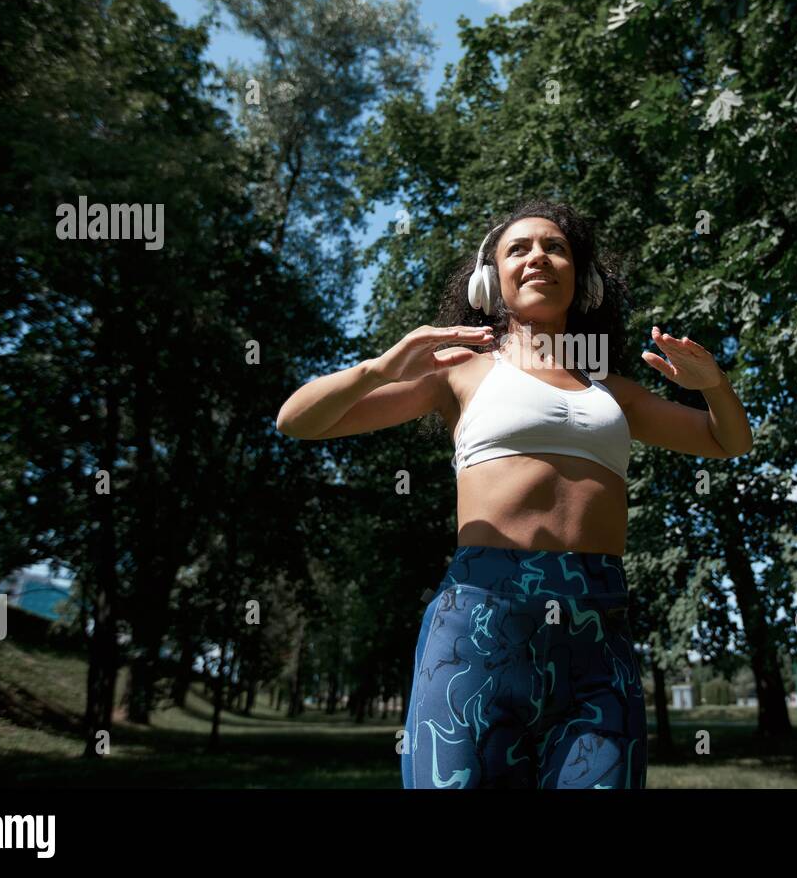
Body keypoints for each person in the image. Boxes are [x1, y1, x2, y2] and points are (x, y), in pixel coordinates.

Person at [275, 199, 753, 788]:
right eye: (518, 248)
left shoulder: (615, 392)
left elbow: (725, 441)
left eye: (555, 247)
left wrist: (715, 385)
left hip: (596, 631)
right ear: (490, 280)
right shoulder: (461, 371)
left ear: (585, 280)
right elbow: (298, 420)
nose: (538, 258)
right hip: (478, 627)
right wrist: (380, 368)